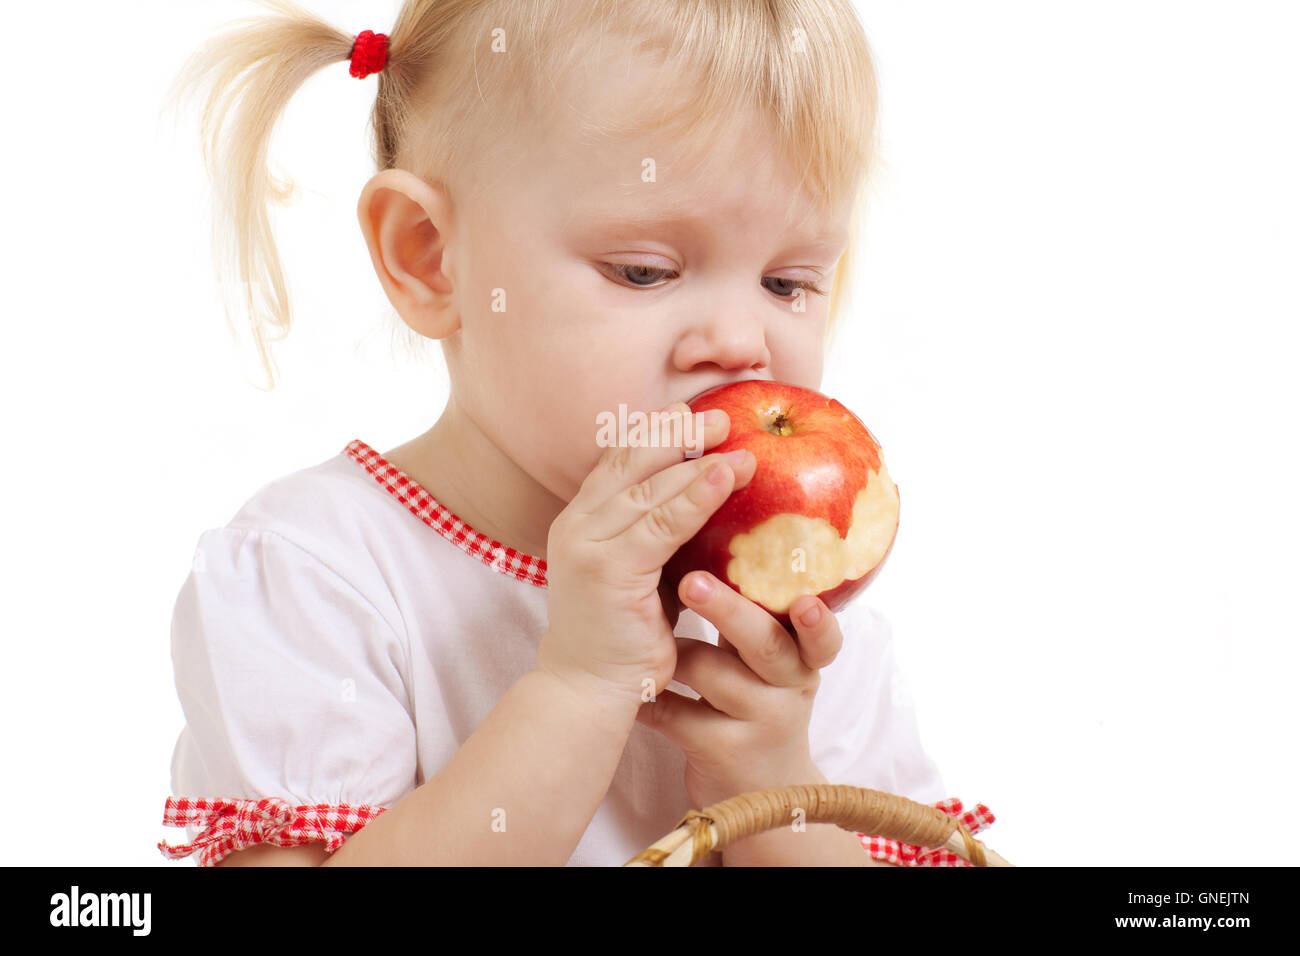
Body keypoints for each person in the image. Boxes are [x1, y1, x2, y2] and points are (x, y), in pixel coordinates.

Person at [156, 0, 995, 867]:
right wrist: (579, 689)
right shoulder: (319, 578)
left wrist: (777, 783)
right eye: (644, 270)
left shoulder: (797, 628)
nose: (744, 342)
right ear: (430, 256)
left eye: (788, 283)